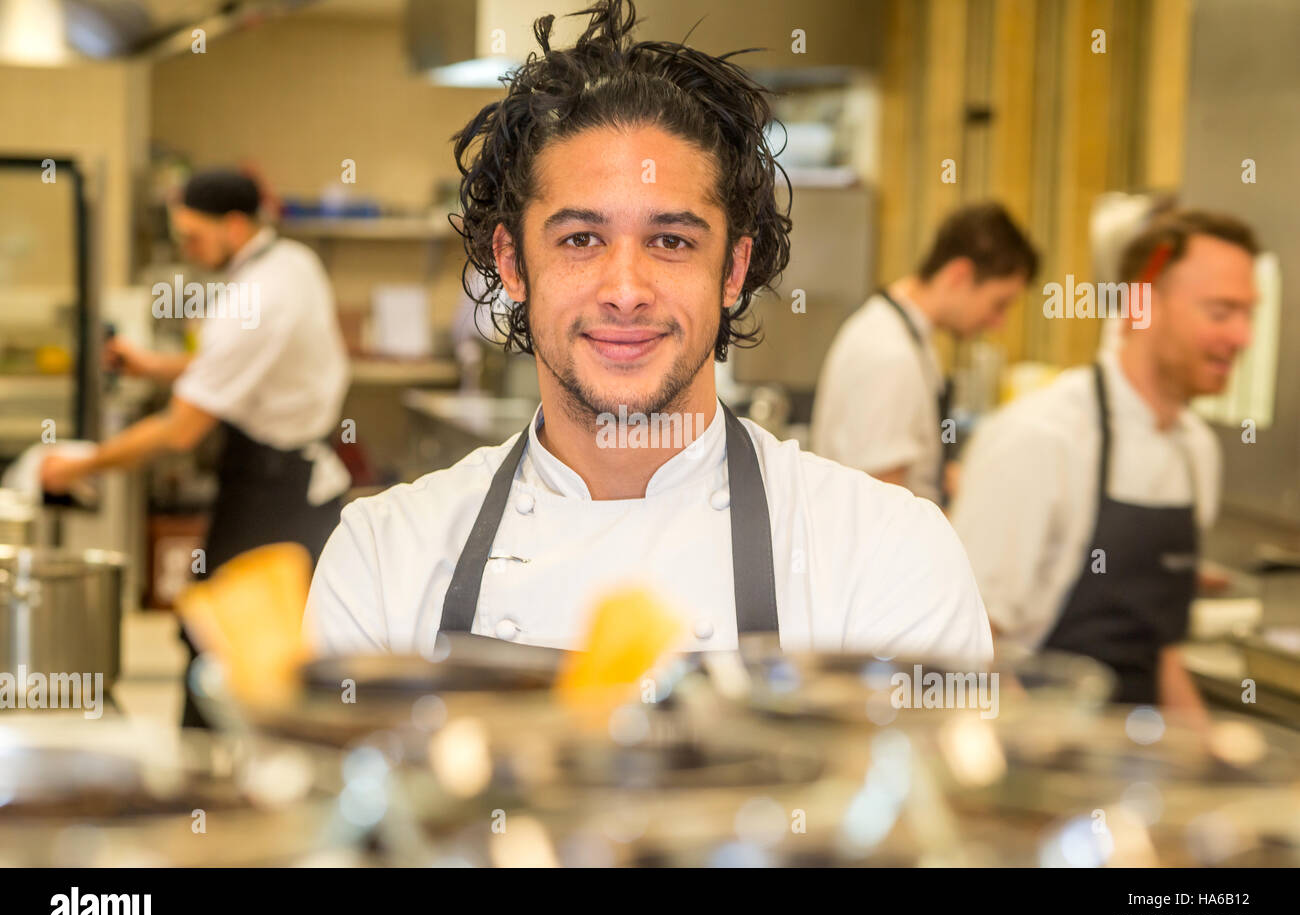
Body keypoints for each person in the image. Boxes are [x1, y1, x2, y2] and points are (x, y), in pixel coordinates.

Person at [305, 0, 992, 661]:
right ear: (511, 264)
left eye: (670, 240)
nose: (626, 291)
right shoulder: (383, 561)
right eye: (580, 239)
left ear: (733, 269)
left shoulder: (887, 555)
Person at [42, 169, 351, 726]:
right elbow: (240, 368)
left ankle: (207, 776)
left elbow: (179, 430)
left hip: (273, 487)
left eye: (192, 235)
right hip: (291, 474)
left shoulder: (258, 297)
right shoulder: (290, 262)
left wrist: (79, 465)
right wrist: (154, 364)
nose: (187, 248)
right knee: (253, 630)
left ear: (234, 226)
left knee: (221, 634)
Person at [950, 209, 1259, 714]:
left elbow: (1159, 654)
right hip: (1032, 765)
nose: (1243, 336)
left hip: (1139, 769)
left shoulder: (1196, 451)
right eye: (1221, 312)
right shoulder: (1037, 439)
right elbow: (967, 648)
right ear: (1140, 305)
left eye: (1250, 314)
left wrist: (1210, 755)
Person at [811, 203, 1038, 505]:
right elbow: (881, 507)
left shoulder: (911, 338)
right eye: (999, 304)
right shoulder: (889, 355)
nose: (998, 323)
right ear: (959, 275)